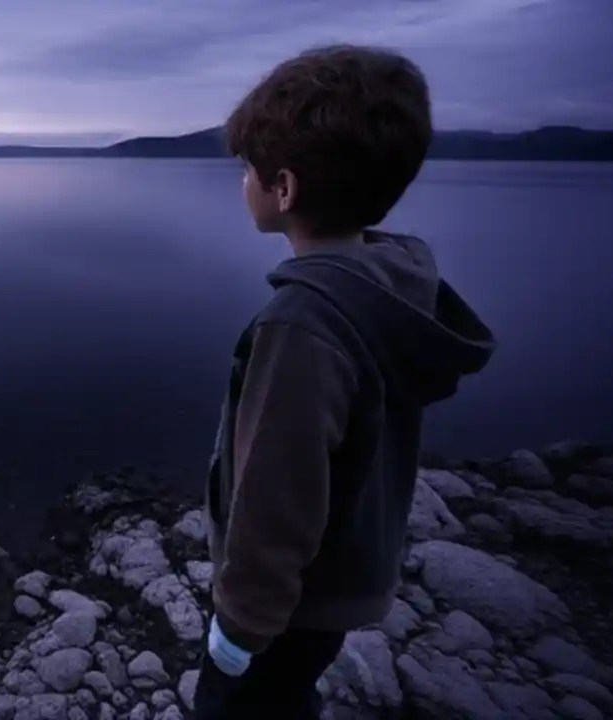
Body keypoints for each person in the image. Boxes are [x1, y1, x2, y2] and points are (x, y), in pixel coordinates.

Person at [193, 44, 495, 718]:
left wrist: (238, 629)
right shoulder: (390, 289)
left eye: (247, 168)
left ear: (283, 188)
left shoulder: (302, 324)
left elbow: (278, 493)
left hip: (285, 609)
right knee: (290, 699)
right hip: (340, 585)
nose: (242, 181)